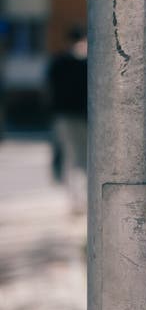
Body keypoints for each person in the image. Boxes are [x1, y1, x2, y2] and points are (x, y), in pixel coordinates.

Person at [47, 26, 88, 213]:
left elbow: (50, 89)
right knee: (82, 158)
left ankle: (75, 201)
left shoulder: (58, 61)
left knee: (71, 157)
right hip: (82, 115)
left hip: (63, 115)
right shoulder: (85, 62)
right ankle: (80, 200)